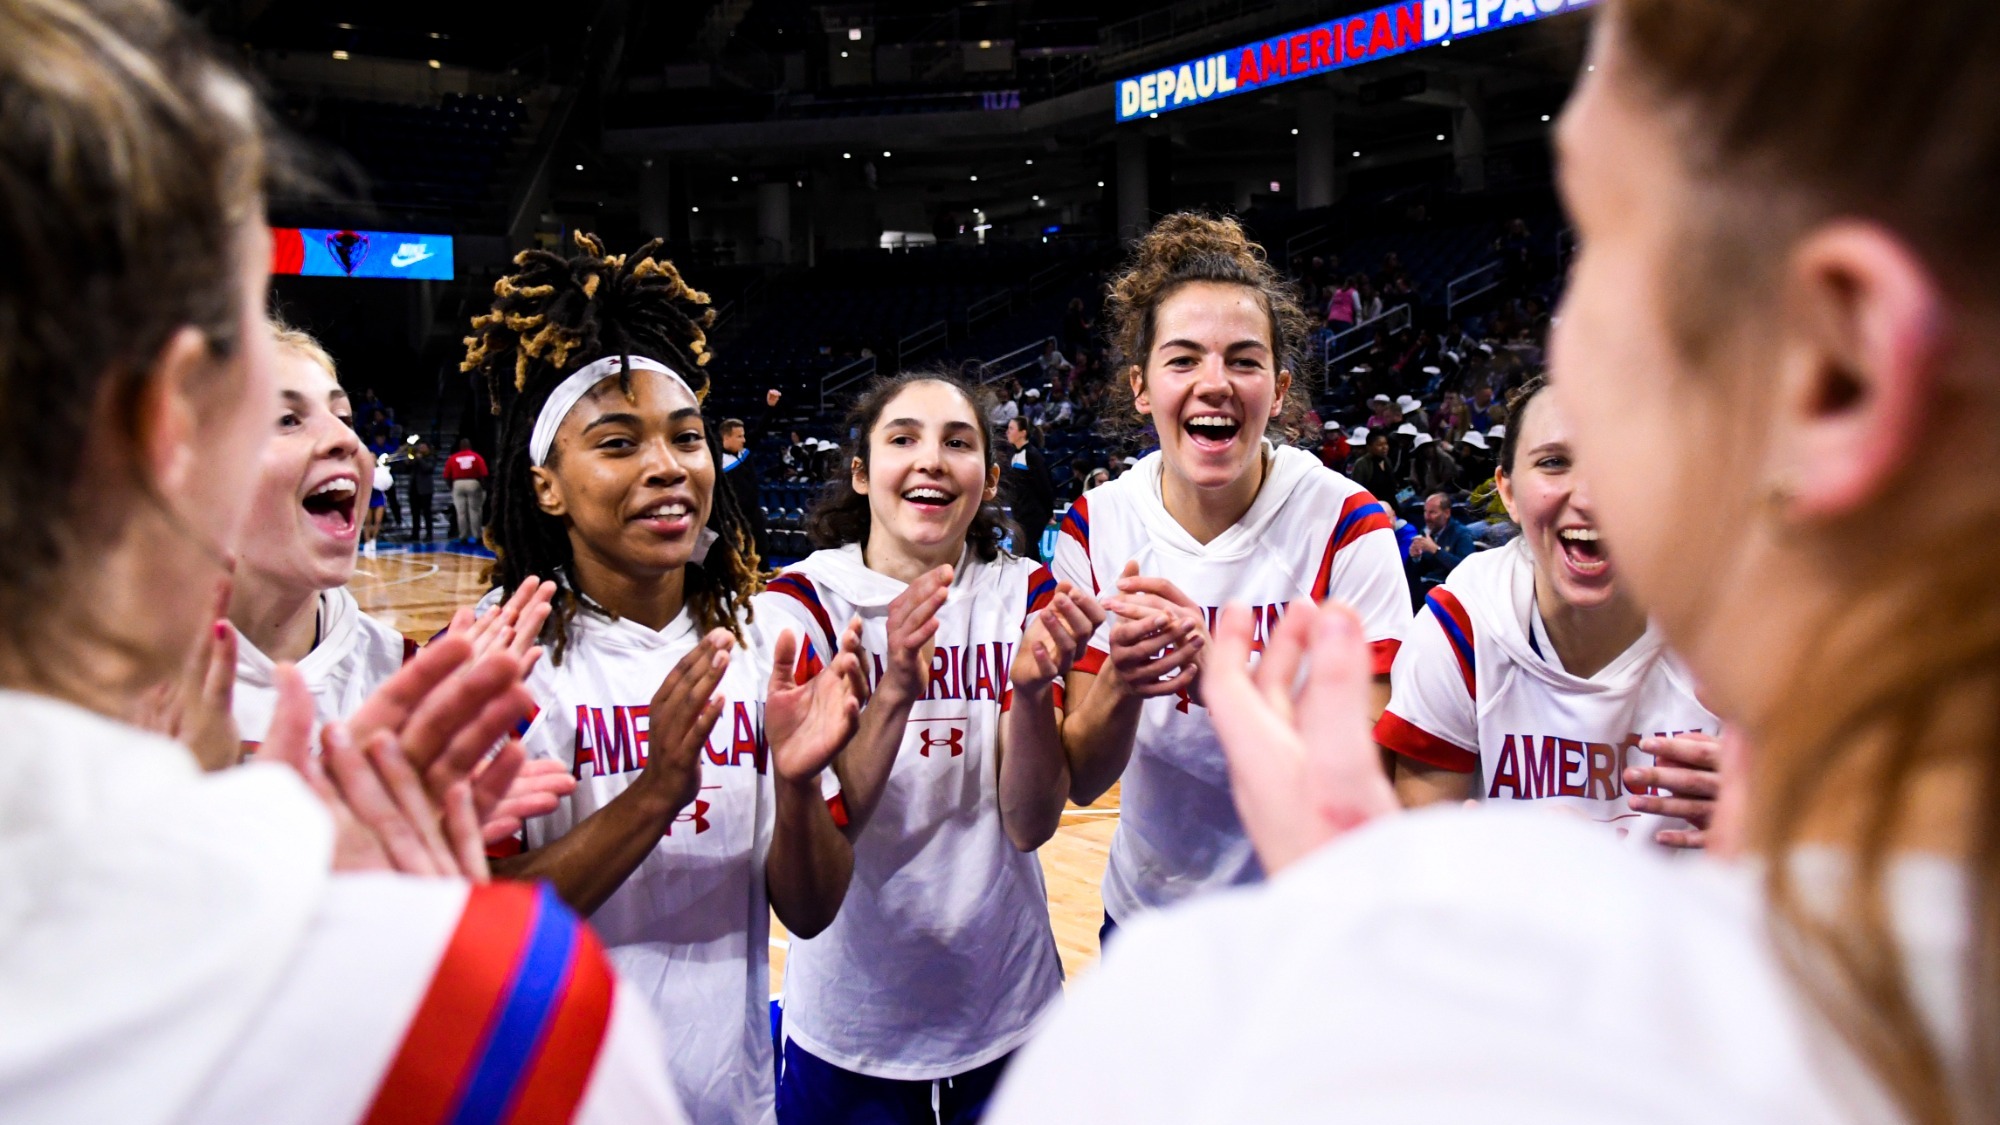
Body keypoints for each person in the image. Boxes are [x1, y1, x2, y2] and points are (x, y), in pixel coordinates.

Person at [989, 0, 2000, 1119]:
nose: (1561, 340)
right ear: (1139, 387)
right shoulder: (1843, 959)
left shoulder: (1351, 536)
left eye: (1607, 240)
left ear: (1839, 369)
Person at [0, 2, 685, 1119]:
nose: (344, 443)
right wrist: (402, 932)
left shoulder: (380, 674)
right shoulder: (481, 1016)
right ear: (166, 423)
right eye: (255, 401)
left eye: (344, 410)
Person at [465, 232, 867, 1124]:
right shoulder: (504, 659)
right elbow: (482, 923)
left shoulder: (763, 639)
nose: (667, 466)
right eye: (618, 442)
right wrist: (655, 792)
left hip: (734, 1101)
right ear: (546, 487)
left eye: (687, 438)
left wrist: (800, 789)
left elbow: (809, 910)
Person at [1048, 213, 1409, 939]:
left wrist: (1224, 677)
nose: (1214, 383)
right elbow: (1082, 779)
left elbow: (1375, 778)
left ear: (1278, 391)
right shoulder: (1097, 525)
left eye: (1243, 361)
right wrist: (1122, 673)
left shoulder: (1347, 524)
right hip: (1150, 921)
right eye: (1183, 359)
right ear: (1141, 387)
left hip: (1308, 923)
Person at [763, 370, 1097, 1125]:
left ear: (987, 475)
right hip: (852, 1027)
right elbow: (817, 860)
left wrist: (1034, 694)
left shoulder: (1028, 594)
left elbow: (1030, 823)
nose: (932, 460)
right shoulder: (803, 608)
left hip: (1011, 1012)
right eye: (903, 438)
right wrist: (896, 688)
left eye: (958, 441)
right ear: (861, 471)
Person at [1383, 378, 1721, 842]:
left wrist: (1770, 819)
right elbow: (1420, 867)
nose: (1589, 497)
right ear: (1508, 492)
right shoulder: (1463, 626)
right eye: (1554, 463)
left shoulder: (1730, 628)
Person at [1002, 416, 1055, 564]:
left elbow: (1045, 485)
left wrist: (1049, 512)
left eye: (1011, 429)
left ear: (1022, 433)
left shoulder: (1031, 454)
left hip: (1033, 514)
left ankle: (1040, 582)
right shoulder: (1014, 455)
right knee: (1024, 552)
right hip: (1020, 512)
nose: (1007, 432)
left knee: (1028, 551)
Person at [720, 415, 771, 566]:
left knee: (762, 553)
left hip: (754, 514)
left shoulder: (745, 452)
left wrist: (771, 408)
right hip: (734, 518)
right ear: (726, 438)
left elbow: (760, 430)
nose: (744, 439)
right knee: (739, 558)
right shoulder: (717, 462)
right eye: (739, 436)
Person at [1403, 490, 1478, 590]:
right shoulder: (1425, 532)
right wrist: (1415, 558)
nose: (1427, 517)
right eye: (1425, 511)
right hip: (1428, 584)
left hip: (1450, 587)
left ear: (1446, 513)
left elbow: (1465, 568)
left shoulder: (1461, 534)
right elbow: (1417, 572)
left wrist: (1436, 550)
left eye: (1432, 512)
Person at [443, 434, 487, 546]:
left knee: (461, 512)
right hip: (473, 482)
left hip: (458, 483)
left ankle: (463, 537)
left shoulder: (453, 458)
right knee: (475, 511)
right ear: (470, 446)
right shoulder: (476, 457)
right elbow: (483, 473)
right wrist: (482, 487)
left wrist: (452, 487)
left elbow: (446, 475)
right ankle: (477, 536)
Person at [1348, 429, 1399, 504]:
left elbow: (1393, 487)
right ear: (1369, 447)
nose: (1384, 447)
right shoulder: (1361, 464)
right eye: (1379, 445)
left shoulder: (1387, 460)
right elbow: (1358, 491)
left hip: (1392, 504)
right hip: (1373, 506)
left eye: (1385, 444)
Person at [404, 437, 437, 542]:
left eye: (423, 447)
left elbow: (428, 468)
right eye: (420, 446)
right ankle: (415, 533)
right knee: (415, 513)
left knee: (427, 512)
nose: (421, 448)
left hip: (425, 489)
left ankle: (429, 534)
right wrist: (410, 459)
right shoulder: (415, 458)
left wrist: (420, 459)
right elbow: (408, 467)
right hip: (414, 489)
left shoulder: (431, 457)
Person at [1407, 430, 1458, 497]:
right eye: (1424, 447)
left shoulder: (1445, 459)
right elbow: (1414, 483)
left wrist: (1429, 491)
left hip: (1443, 493)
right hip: (1422, 493)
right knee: (1400, 498)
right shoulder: (1416, 462)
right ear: (1419, 451)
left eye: (1429, 446)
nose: (1428, 450)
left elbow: (1448, 482)